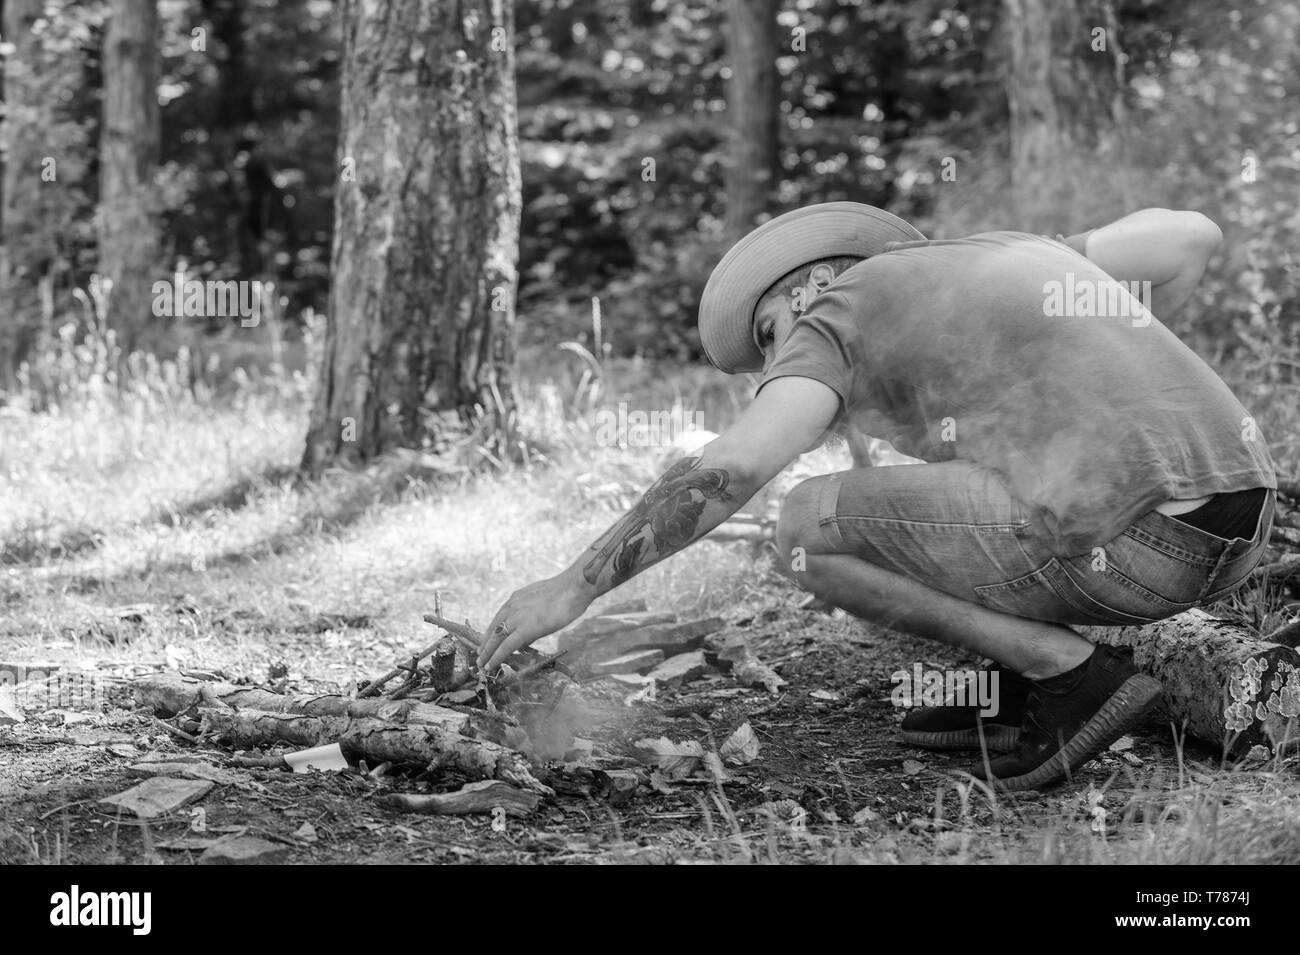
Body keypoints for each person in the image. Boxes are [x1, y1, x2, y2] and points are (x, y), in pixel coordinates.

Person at [478, 202, 1276, 791]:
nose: (771, 364)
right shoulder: (1006, 252)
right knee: (912, 498)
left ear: (816, 282)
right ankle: (1020, 683)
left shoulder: (837, 310)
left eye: (766, 332)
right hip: (1243, 526)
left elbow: (732, 468)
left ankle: (1068, 672)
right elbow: (1191, 234)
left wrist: (569, 589)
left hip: (1140, 549)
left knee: (803, 524)